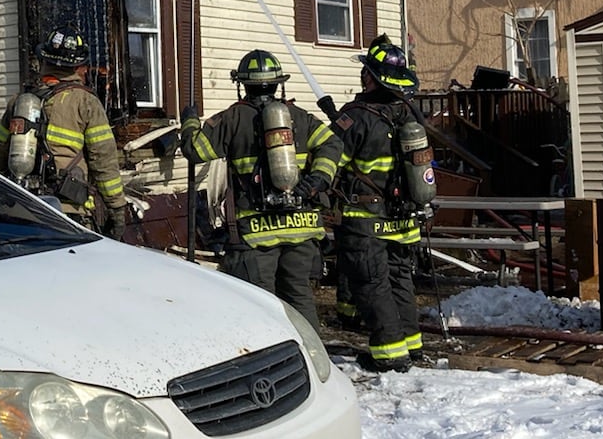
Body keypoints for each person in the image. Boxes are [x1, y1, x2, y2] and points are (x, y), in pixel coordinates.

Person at [178, 49, 341, 325]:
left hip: (255, 234)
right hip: (302, 228)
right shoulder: (300, 117)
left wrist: (190, 121)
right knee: (299, 299)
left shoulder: (231, 120)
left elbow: (195, 150)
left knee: (261, 304)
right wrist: (318, 179)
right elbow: (333, 143)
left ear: (243, 84)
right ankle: (313, 360)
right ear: (278, 83)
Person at [331, 35, 427, 373]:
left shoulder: (355, 117)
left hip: (366, 217)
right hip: (405, 218)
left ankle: (389, 354)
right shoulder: (410, 112)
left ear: (370, 77)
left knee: (373, 283)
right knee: (401, 279)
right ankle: (412, 346)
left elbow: (331, 163)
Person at [0, 29, 129, 236]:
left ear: (44, 60)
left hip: (23, 206)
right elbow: (104, 160)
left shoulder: (21, 101)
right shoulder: (86, 102)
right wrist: (116, 208)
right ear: (79, 67)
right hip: (68, 212)